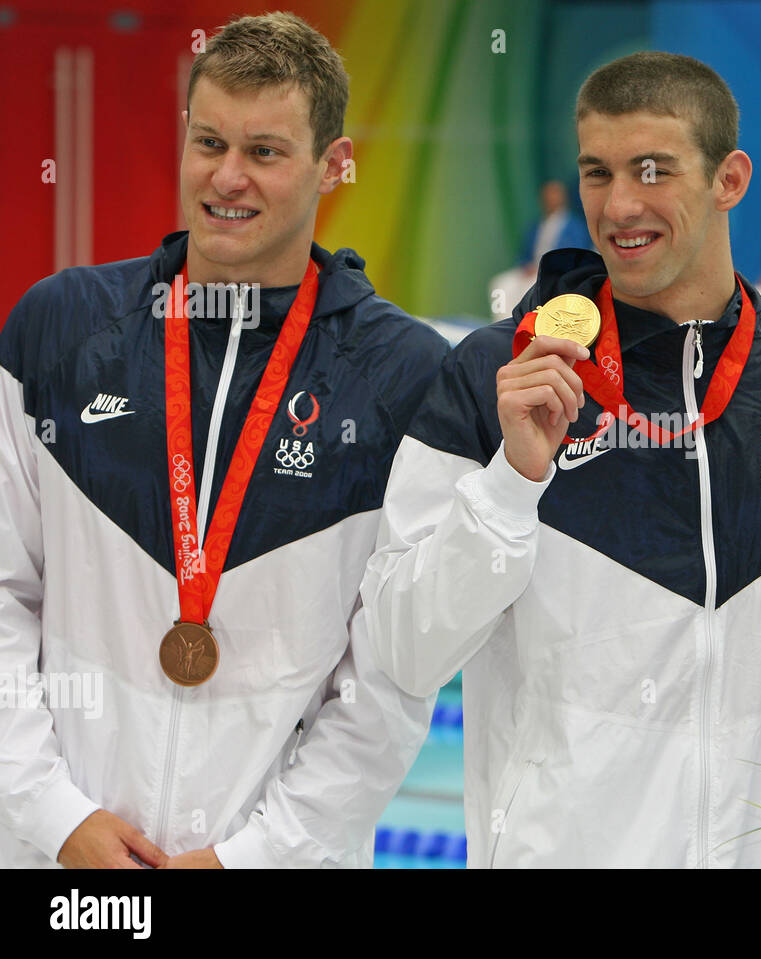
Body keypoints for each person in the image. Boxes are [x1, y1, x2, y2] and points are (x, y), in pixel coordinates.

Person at [362, 51, 761, 867]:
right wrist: (511, 482)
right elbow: (403, 649)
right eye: (597, 172)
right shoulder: (494, 374)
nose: (619, 205)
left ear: (730, 178)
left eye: (653, 170)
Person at [0, 12, 445, 868]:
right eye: (210, 142)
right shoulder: (60, 329)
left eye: (266, 153)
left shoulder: (402, 375)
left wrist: (253, 857)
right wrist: (53, 814)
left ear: (334, 164)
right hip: (64, 860)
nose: (227, 178)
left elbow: (391, 675)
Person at [488, 180, 592, 319]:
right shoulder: (536, 226)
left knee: (530, 289)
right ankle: (501, 324)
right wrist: (525, 266)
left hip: (554, 272)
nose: (550, 198)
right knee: (500, 284)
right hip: (530, 270)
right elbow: (524, 253)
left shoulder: (575, 226)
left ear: (563, 196)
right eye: (547, 194)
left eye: (555, 193)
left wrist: (544, 267)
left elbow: (576, 254)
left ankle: (527, 327)